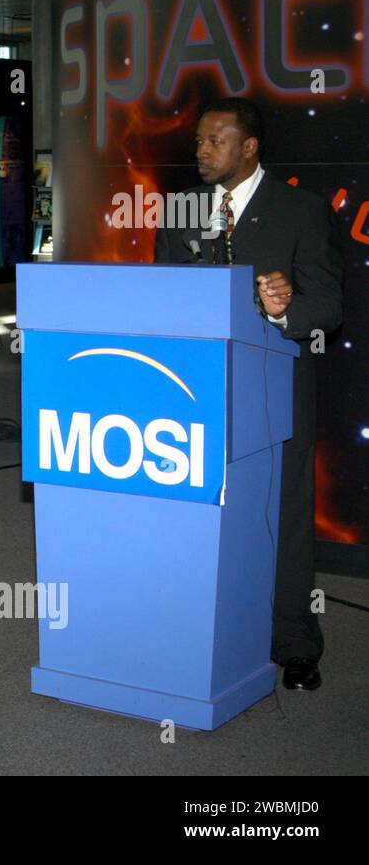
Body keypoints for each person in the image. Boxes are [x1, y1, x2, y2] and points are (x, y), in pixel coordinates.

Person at [154, 97, 343, 692]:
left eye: (215, 141)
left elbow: (328, 308)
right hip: (196, 391)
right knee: (200, 510)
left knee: (282, 514)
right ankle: (198, 629)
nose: (201, 151)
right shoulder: (181, 212)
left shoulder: (299, 211)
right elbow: (164, 299)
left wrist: (285, 308)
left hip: (275, 391)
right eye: (199, 142)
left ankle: (292, 643)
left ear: (249, 146)